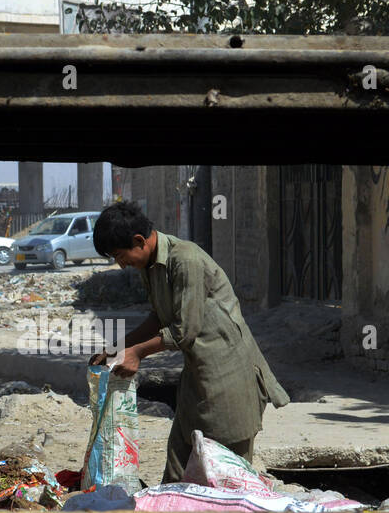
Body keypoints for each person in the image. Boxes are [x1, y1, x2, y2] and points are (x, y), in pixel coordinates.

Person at [90, 201, 289, 484]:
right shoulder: (150, 265)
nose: (121, 264)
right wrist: (118, 349)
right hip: (197, 376)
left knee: (227, 471)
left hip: (228, 374)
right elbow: (159, 317)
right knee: (179, 465)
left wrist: (137, 354)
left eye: (120, 256)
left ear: (139, 240)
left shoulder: (185, 260)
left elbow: (185, 330)